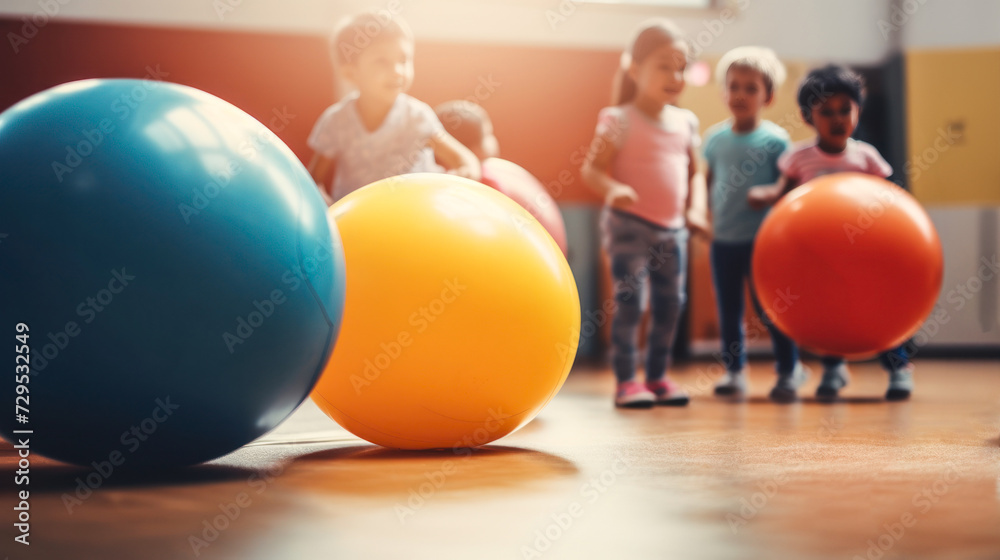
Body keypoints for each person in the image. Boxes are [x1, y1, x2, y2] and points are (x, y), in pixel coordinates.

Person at [748, 64, 914, 402]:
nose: (837, 119)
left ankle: (899, 367)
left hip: (864, 255)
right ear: (809, 117)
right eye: (826, 112)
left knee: (879, 311)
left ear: (858, 111)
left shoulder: (866, 158)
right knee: (829, 308)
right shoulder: (799, 158)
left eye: (845, 110)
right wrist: (764, 194)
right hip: (821, 257)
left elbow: (888, 203)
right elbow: (783, 195)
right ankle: (833, 367)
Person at [581, 19, 708, 408]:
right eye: (664, 66)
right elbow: (591, 169)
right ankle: (626, 381)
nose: (675, 75)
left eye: (681, 66)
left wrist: (698, 208)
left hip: (673, 231)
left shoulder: (686, 122)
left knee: (671, 304)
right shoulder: (617, 119)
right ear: (635, 70)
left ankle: (657, 376)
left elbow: (697, 171)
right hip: (629, 226)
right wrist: (613, 188)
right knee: (632, 302)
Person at [702, 46, 808, 402]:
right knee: (729, 310)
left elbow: (788, 186)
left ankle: (789, 369)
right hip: (724, 242)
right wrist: (701, 217)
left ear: (768, 96)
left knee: (773, 309)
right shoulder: (714, 139)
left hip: (763, 243)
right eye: (734, 87)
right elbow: (707, 182)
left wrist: (769, 192)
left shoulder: (776, 141)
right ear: (723, 92)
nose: (741, 95)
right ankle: (734, 372)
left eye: (751, 88)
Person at [307, 12, 479, 204]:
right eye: (382, 62)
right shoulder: (336, 121)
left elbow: (463, 159)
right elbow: (312, 180)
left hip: (418, 212)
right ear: (350, 73)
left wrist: (467, 171)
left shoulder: (417, 116)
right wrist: (326, 205)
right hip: (359, 217)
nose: (397, 71)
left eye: (404, 60)